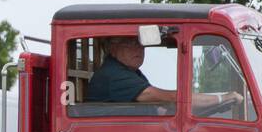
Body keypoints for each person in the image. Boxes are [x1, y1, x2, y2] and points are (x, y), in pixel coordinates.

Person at [88, 35, 240, 111]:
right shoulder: (113, 76)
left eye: (141, 44)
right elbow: (170, 98)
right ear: (112, 49)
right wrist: (223, 98)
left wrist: (212, 106)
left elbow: (160, 107)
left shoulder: (131, 73)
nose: (139, 49)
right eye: (130, 43)